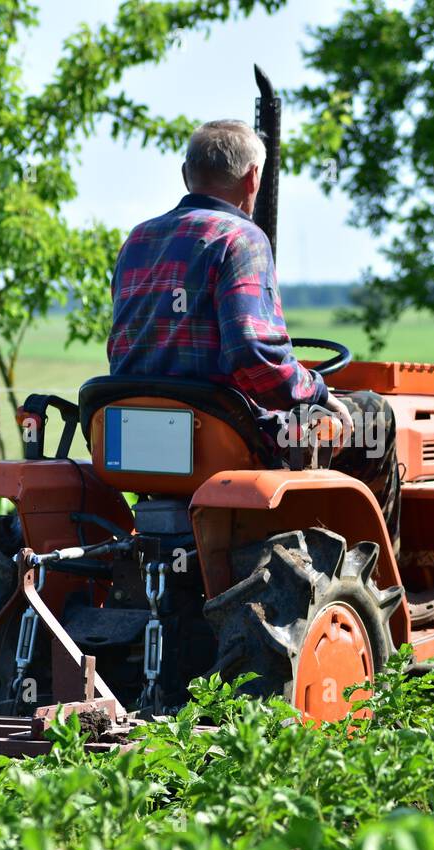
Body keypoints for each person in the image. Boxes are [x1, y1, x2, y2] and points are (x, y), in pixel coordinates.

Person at [106, 119, 403, 554]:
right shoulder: (241, 238)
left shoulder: (138, 239)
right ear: (253, 178)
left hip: (133, 436)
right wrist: (318, 392)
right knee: (376, 417)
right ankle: (379, 585)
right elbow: (253, 356)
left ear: (186, 174)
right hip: (227, 438)